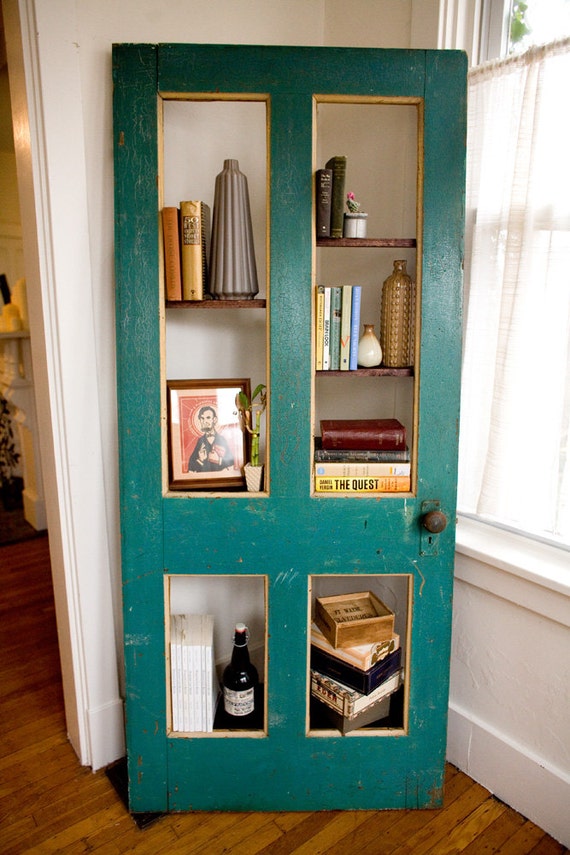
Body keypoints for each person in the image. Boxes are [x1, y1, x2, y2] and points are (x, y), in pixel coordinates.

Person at [187, 404, 234, 472]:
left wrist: (219, 460)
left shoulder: (222, 440)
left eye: (208, 418)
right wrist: (200, 459)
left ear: (214, 420)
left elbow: (231, 462)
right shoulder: (200, 441)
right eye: (202, 418)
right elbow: (191, 467)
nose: (204, 421)